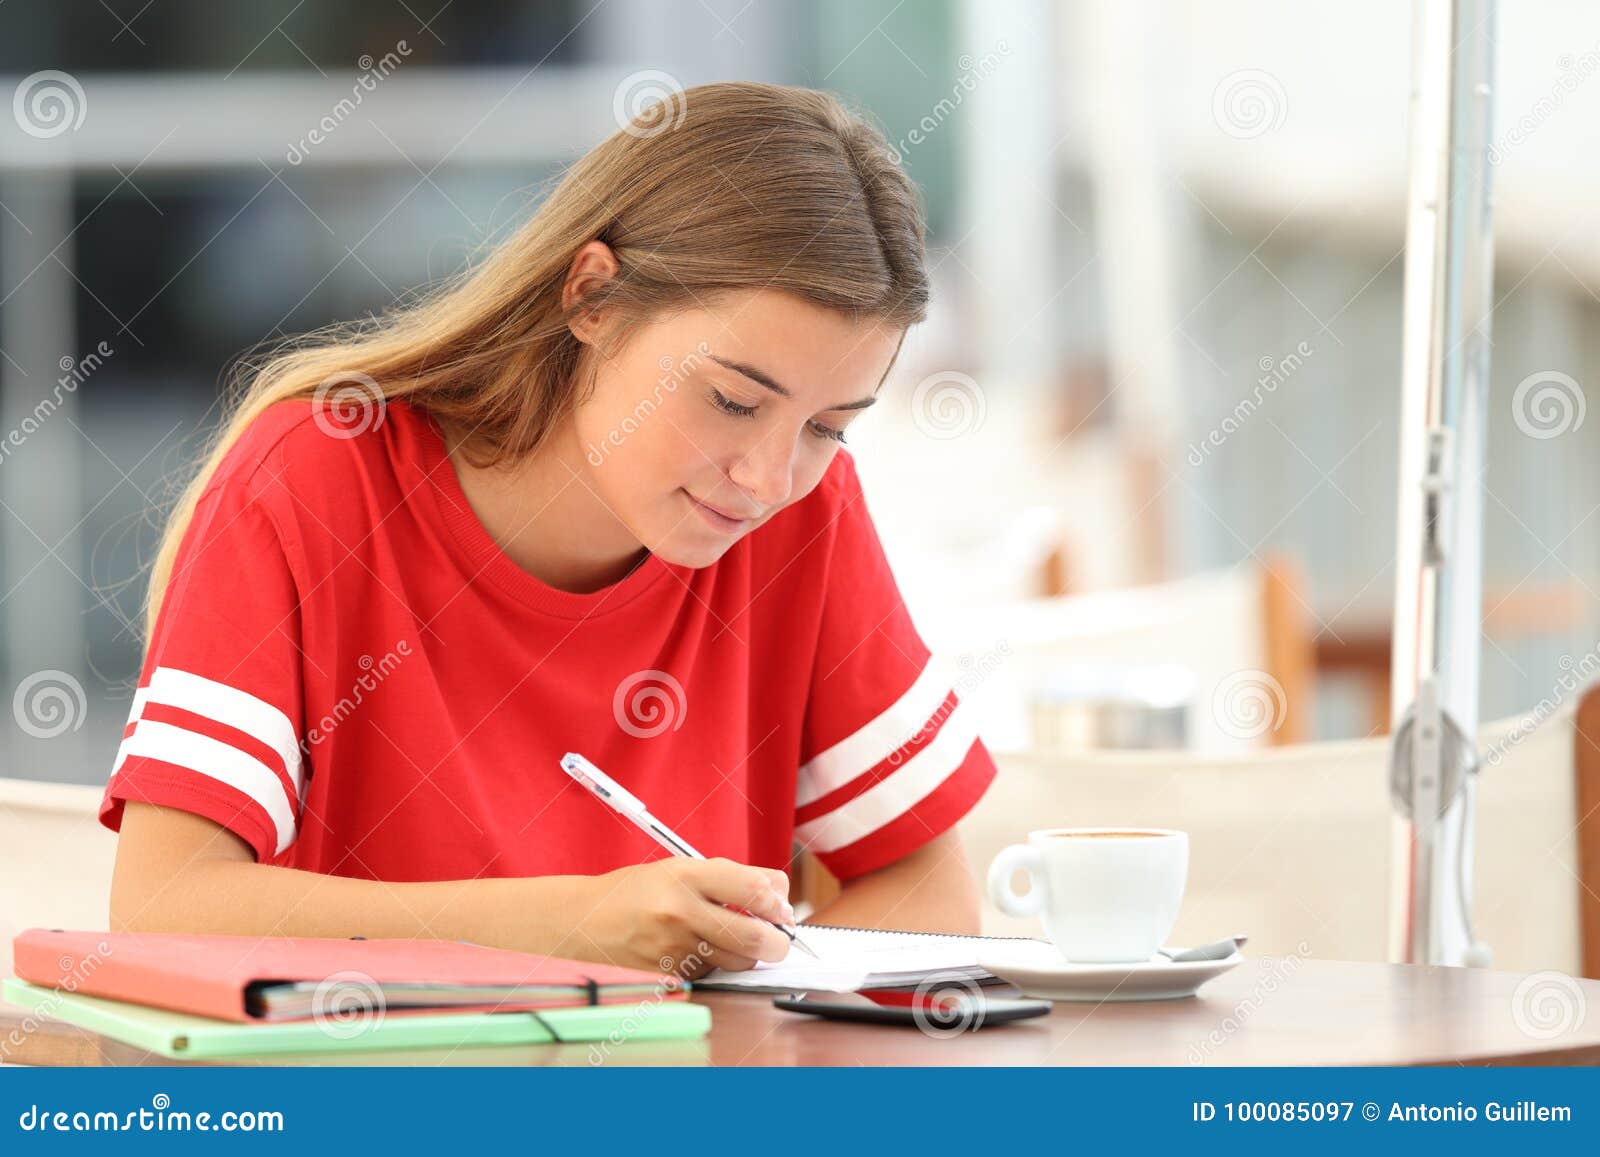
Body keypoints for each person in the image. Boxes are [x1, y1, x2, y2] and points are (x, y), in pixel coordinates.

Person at [102, 81, 996, 979]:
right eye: (731, 400)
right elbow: (164, 908)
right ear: (594, 298)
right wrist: (572, 925)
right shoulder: (316, 476)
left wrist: (729, 989)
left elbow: (933, 894)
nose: (767, 477)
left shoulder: (806, 509)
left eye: (828, 426)